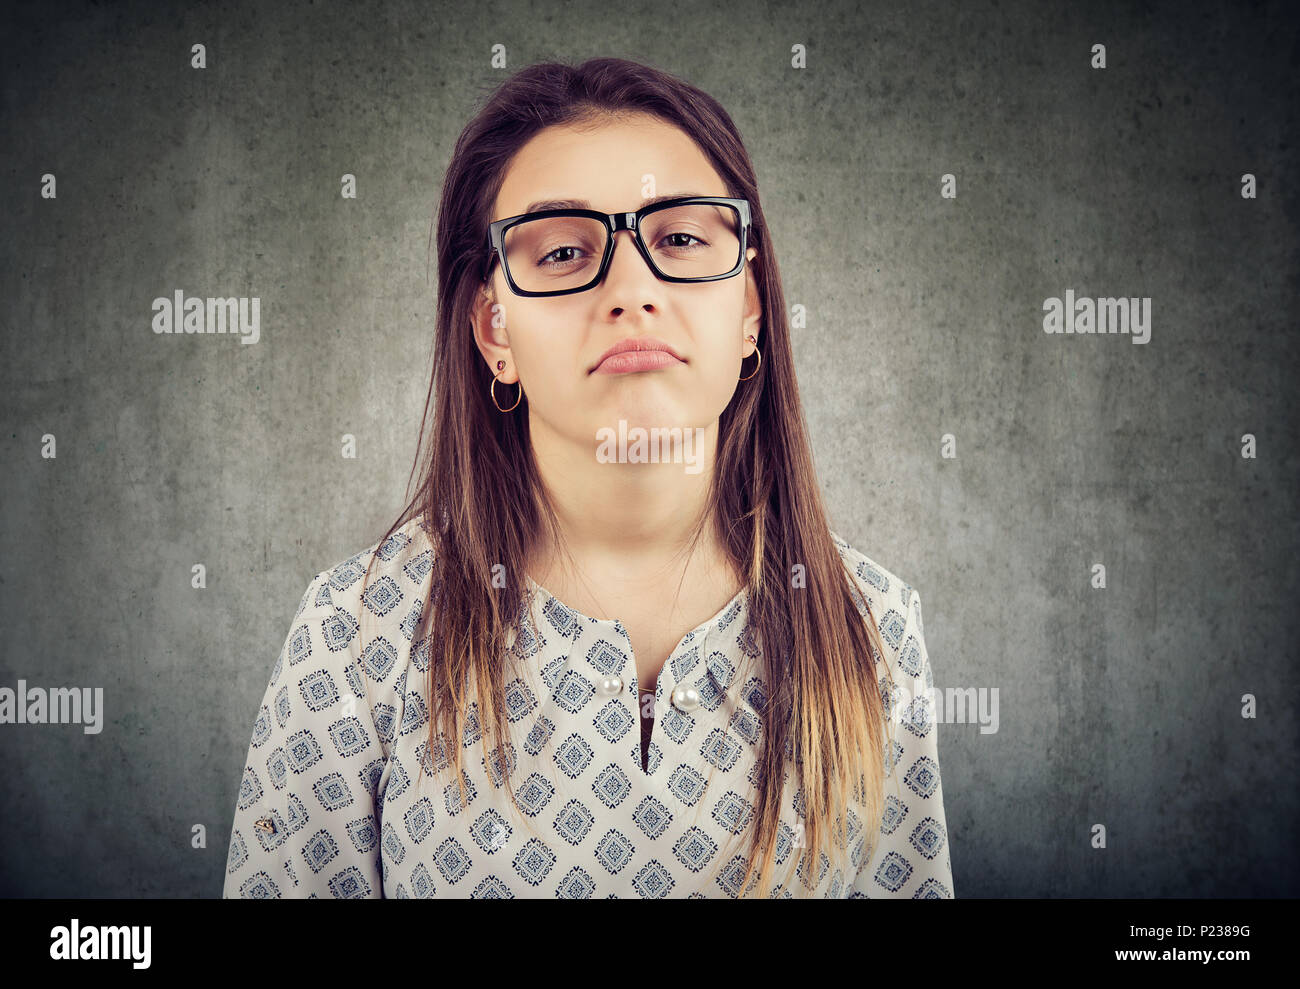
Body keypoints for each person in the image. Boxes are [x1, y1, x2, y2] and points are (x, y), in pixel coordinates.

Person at [222, 56, 953, 899]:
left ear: (750, 307)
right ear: (494, 328)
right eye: (566, 251)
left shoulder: (874, 632)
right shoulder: (356, 636)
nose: (631, 289)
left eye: (680, 237)